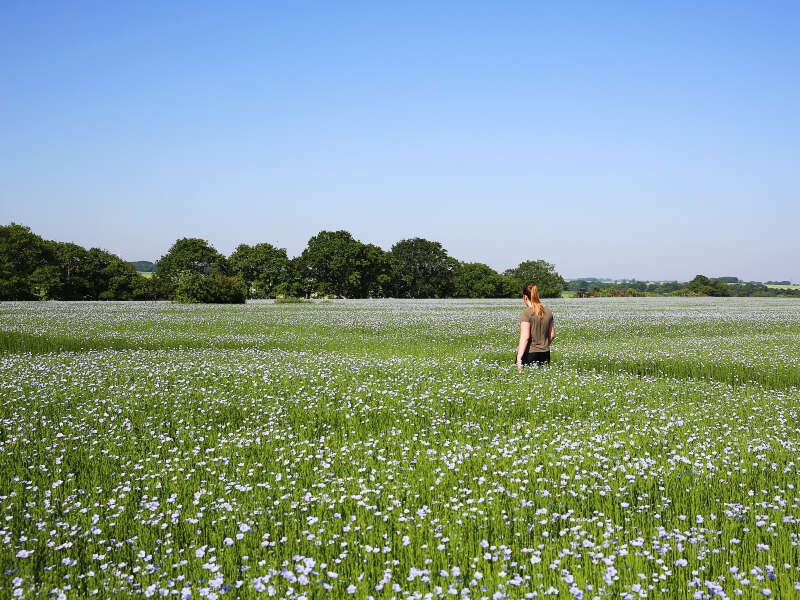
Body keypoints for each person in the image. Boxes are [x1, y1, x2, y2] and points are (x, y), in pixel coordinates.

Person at [516, 283, 555, 371]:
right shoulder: (548, 312)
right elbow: (552, 335)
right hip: (545, 353)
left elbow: (525, 338)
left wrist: (519, 358)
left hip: (530, 354)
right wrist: (544, 346)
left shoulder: (526, 313)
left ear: (525, 297)